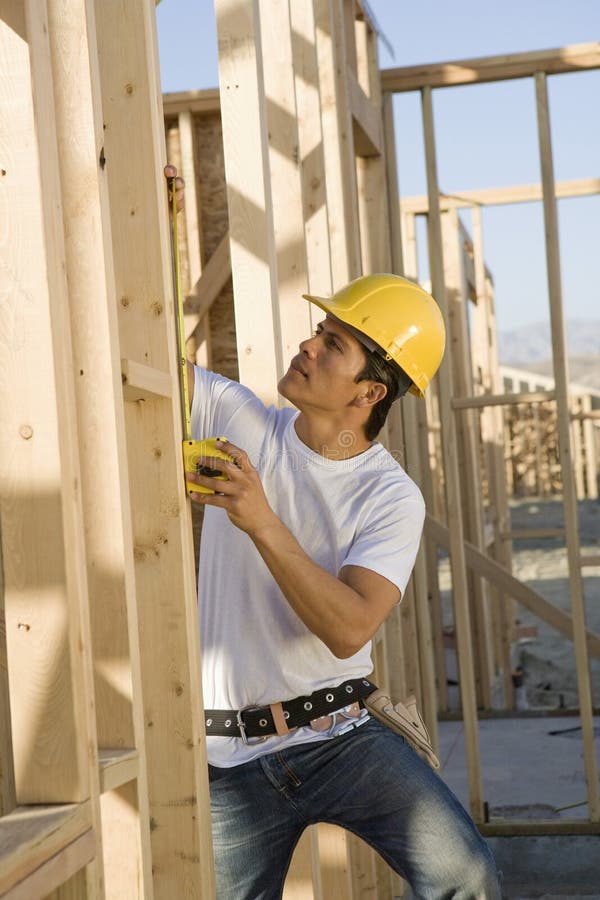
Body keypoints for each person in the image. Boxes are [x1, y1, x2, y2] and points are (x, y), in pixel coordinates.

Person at [168, 174, 501, 898]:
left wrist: (260, 519)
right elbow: (152, 359)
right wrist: (160, 235)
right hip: (229, 755)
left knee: (467, 878)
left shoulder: (390, 496)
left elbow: (351, 628)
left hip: (341, 736)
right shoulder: (239, 419)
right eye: (319, 332)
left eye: (333, 344)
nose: (308, 346)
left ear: (369, 393)